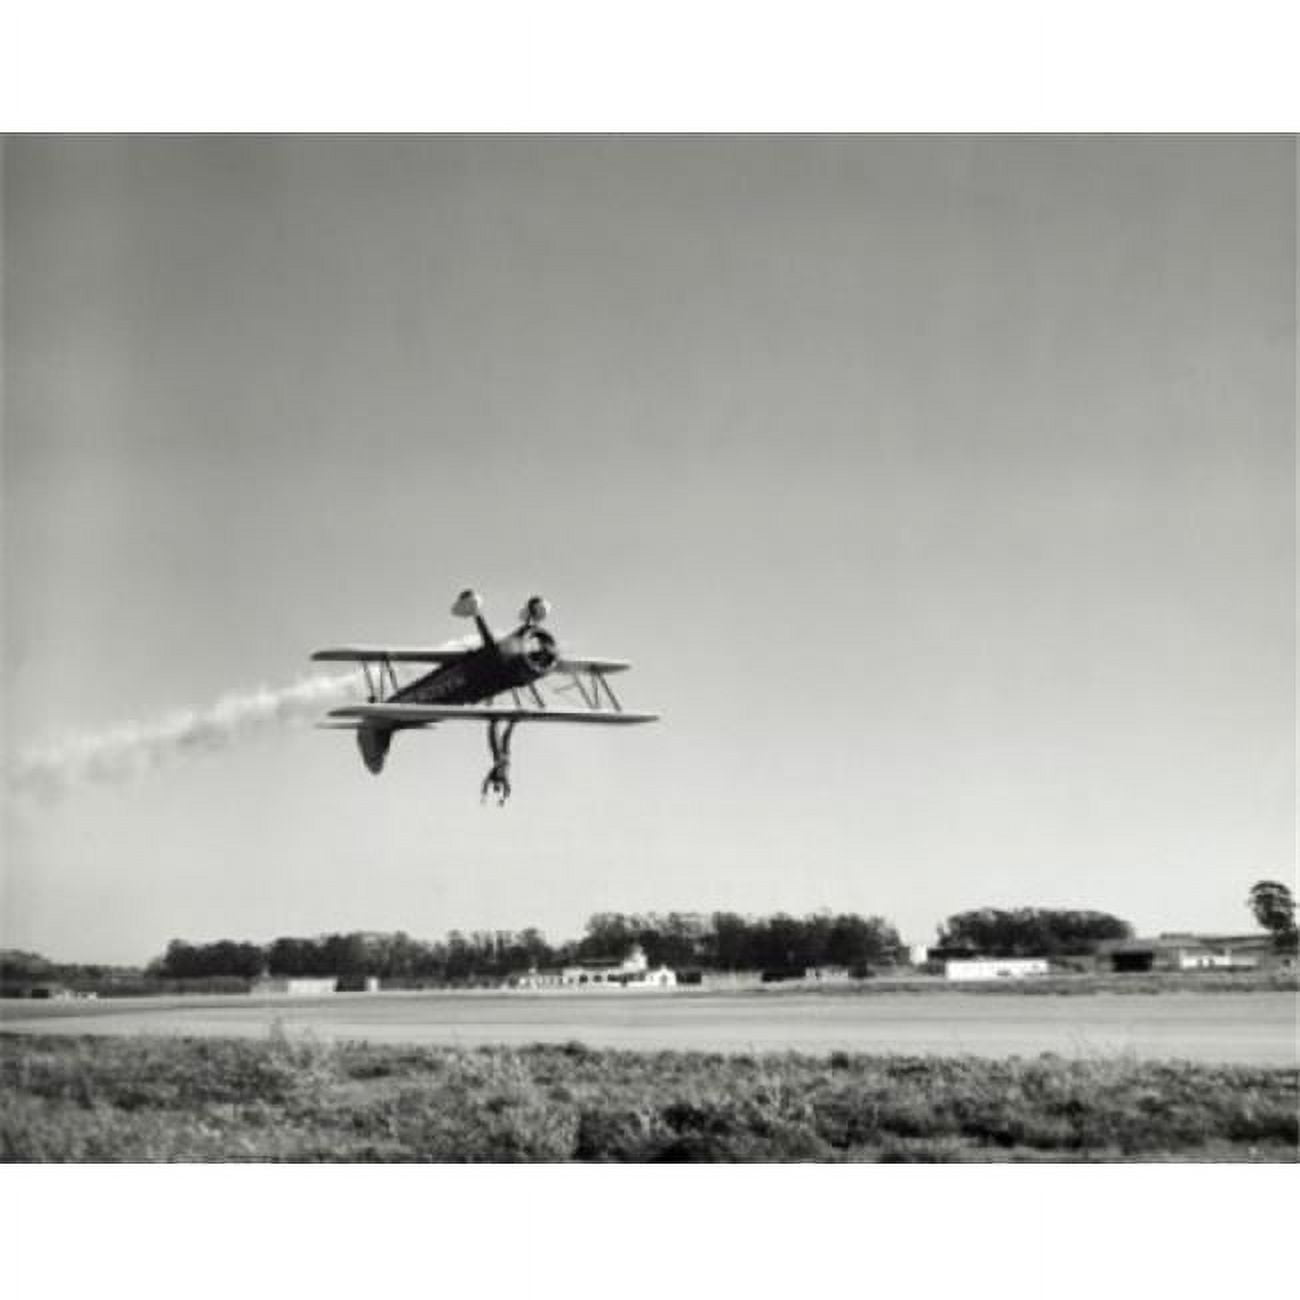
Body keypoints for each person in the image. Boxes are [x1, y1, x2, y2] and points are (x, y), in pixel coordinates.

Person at [480, 719, 516, 806]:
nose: (496, 784)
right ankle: (511, 722)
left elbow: (485, 783)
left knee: (496, 740)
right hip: (503, 758)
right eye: (498, 786)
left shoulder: (493, 777)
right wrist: (503, 799)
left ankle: (494, 723)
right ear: (499, 785)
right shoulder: (502, 779)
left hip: (499, 758)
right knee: (503, 739)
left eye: (495, 786)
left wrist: (484, 797)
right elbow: (507, 789)